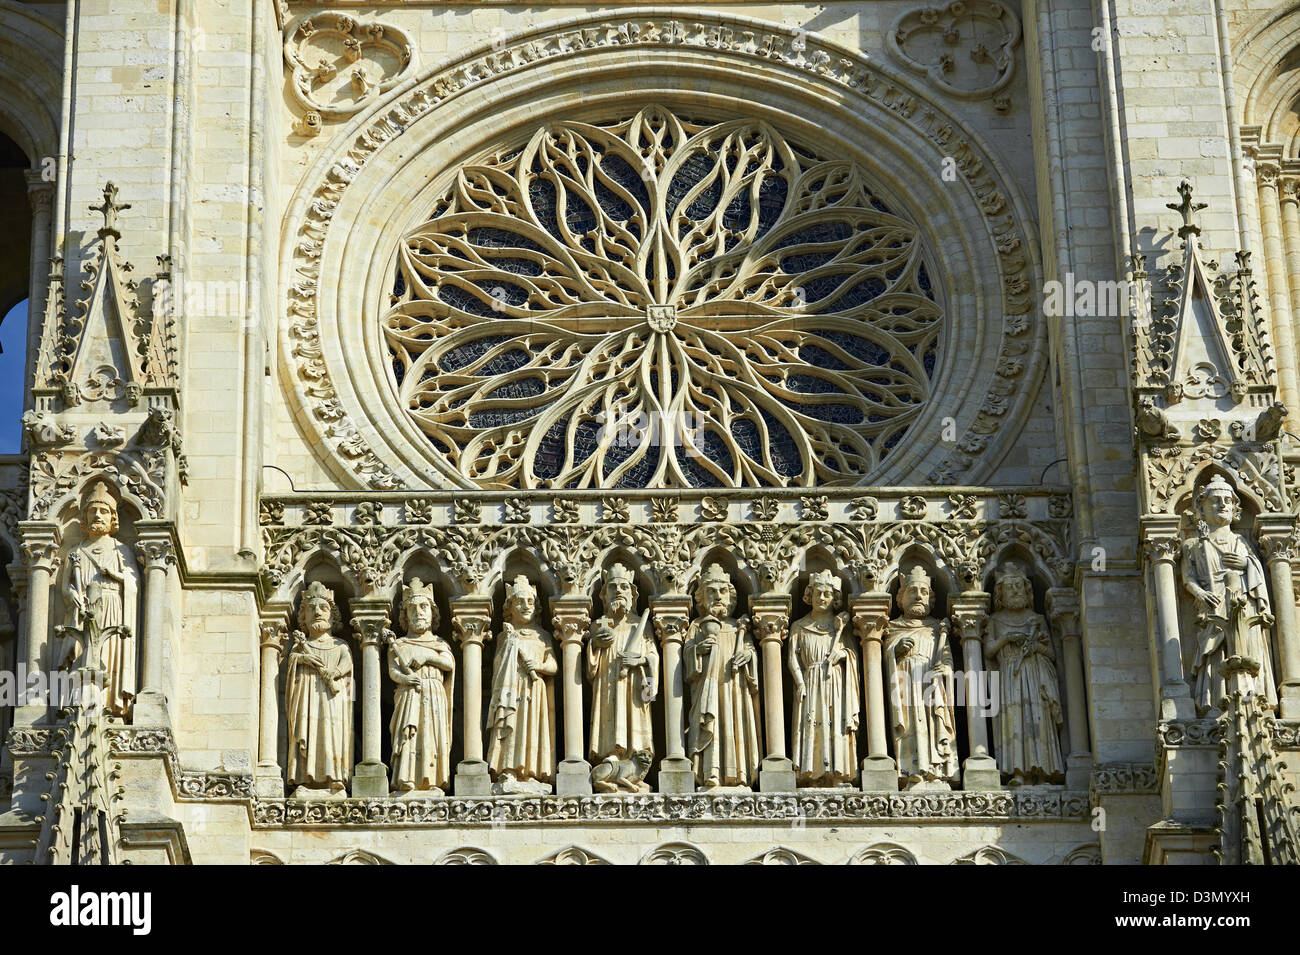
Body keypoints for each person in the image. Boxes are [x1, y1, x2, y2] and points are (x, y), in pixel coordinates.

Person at [1181, 475, 1277, 714]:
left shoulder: (1242, 542)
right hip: (1213, 607)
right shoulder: (1192, 544)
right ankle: (1217, 703)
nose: (1222, 504)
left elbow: (1257, 573)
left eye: (1227, 500)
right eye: (1215, 500)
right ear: (1201, 508)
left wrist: (1246, 564)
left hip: (1244, 607)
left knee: (1247, 649)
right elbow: (1188, 579)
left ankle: (1255, 701)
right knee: (1215, 652)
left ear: (1235, 509)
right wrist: (1201, 594)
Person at [984, 562, 1064, 785]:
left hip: (1035, 673)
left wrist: (1036, 647)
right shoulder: (995, 621)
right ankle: (1017, 771)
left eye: (1020, 586)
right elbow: (988, 650)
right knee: (1014, 720)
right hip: (1010, 675)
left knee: (1037, 718)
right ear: (1000, 593)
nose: (1016, 590)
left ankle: (1044, 772)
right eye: (1010, 587)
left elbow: (1053, 654)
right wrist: (1008, 639)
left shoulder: (1037, 620)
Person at [684, 564, 761, 789]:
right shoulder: (696, 627)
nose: (718, 596)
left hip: (735, 689)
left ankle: (739, 775)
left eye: (723, 591)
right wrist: (697, 650)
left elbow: (752, 655)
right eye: (711, 591)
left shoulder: (737, 628)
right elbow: (687, 660)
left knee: (735, 726)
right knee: (711, 723)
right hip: (707, 690)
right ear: (701, 598)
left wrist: (747, 657)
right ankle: (711, 773)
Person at [884, 566, 958, 789]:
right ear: (900, 598)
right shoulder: (893, 628)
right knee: (909, 726)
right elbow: (878, 662)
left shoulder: (937, 629)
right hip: (905, 682)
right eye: (912, 591)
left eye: (924, 592)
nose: (919, 596)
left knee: (933, 723)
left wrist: (944, 670)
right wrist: (894, 652)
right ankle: (911, 770)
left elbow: (948, 661)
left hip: (931, 686)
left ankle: (937, 771)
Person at [486, 575, 558, 793]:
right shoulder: (504, 636)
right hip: (512, 688)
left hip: (535, 691)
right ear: (510, 606)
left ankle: (531, 772)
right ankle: (508, 769)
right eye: (519, 601)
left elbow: (553, 665)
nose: (526, 606)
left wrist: (537, 664)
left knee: (533, 728)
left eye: (530, 602)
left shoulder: (542, 636)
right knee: (512, 727)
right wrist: (509, 647)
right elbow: (497, 666)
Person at [788, 570, 860, 786]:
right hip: (810, 681)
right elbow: (792, 658)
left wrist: (843, 655)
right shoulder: (799, 626)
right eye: (818, 593)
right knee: (812, 724)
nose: (822, 598)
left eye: (827, 594)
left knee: (835, 723)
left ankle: (838, 773)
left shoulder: (841, 629)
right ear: (809, 595)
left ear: (834, 598)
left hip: (836, 683)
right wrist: (800, 682)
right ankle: (812, 774)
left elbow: (853, 657)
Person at [285, 581, 354, 798]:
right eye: (311, 608)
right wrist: (302, 658)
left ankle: (334, 778)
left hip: (333, 700)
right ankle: (306, 777)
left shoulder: (340, 645)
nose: (317, 613)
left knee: (331, 733)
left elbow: (347, 665)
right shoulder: (299, 647)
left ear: (333, 616)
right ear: (303, 616)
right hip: (306, 695)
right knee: (308, 730)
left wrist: (334, 673)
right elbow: (292, 666)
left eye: (323, 608)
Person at [388, 578, 455, 795]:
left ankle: (431, 779)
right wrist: (405, 679)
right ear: (405, 615)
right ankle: (406, 778)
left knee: (431, 735)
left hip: (434, 693)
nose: (419, 612)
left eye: (424, 606)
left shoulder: (439, 644)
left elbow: (449, 663)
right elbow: (393, 671)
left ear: (432, 612)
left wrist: (426, 656)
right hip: (409, 694)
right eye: (412, 608)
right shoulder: (399, 645)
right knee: (408, 734)